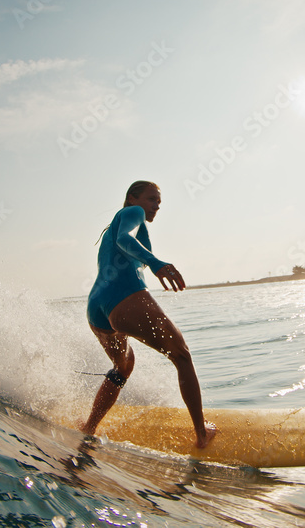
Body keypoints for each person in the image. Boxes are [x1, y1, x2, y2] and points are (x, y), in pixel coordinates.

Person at [82, 181, 216, 449]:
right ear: (132, 198)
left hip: (96, 307)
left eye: (159, 202)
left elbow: (122, 244)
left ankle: (89, 427)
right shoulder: (132, 214)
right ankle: (202, 434)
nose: (156, 206)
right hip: (124, 296)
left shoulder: (122, 224)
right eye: (151, 199)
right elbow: (124, 239)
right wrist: (156, 263)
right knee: (182, 355)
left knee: (123, 366)